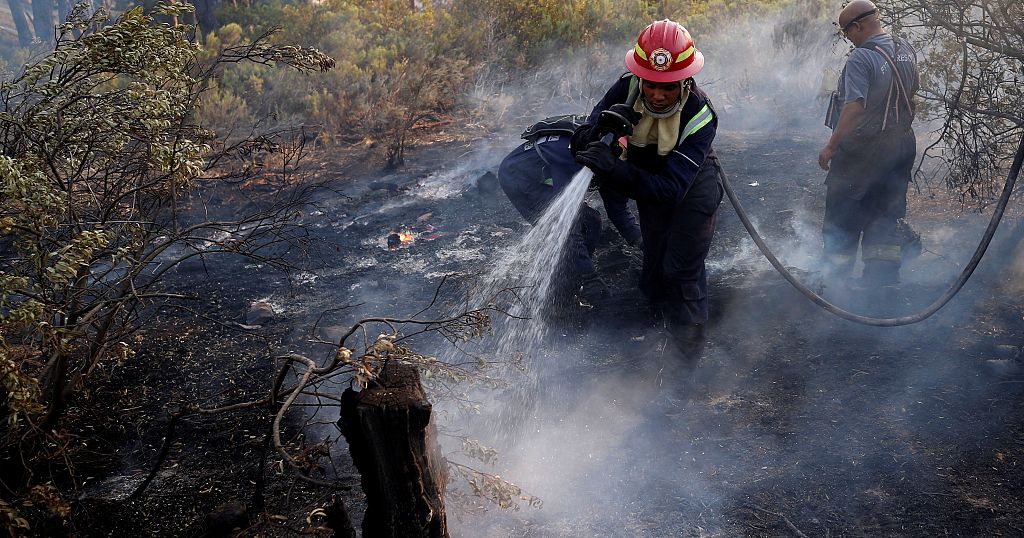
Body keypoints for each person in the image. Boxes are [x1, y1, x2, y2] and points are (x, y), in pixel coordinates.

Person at [571, 19, 723, 355]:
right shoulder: (625, 87)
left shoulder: (700, 114)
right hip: (647, 183)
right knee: (654, 268)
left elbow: (671, 190)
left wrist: (615, 169)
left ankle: (686, 361)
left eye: (668, 87)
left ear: (685, 81)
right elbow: (580, 139)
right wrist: (599, 132)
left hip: (691, 189)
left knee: (681, 272)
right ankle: (659, 335)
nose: (657, 95)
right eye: (651, 85)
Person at [818, 0, 919, 287]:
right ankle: (881, 283)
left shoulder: (861, 58)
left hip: (862, 152)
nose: (848, 38)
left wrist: (831, 146)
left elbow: (854, 107)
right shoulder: (905, 48)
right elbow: (912, 90)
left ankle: (836, 283)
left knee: (842, 215)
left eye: (847, 32)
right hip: (901, 146)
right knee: (884, 214)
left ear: (859, 26)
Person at [498, 114, 643, 307]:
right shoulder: (576, 155)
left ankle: (570, 285)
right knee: (569, 227)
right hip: (517, 178)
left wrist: (643, 244)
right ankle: (558, 296)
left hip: (545, 179)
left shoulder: (611, 161)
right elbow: (564, 221)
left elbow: (618, 211)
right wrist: (590, 278)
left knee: (591, 221)